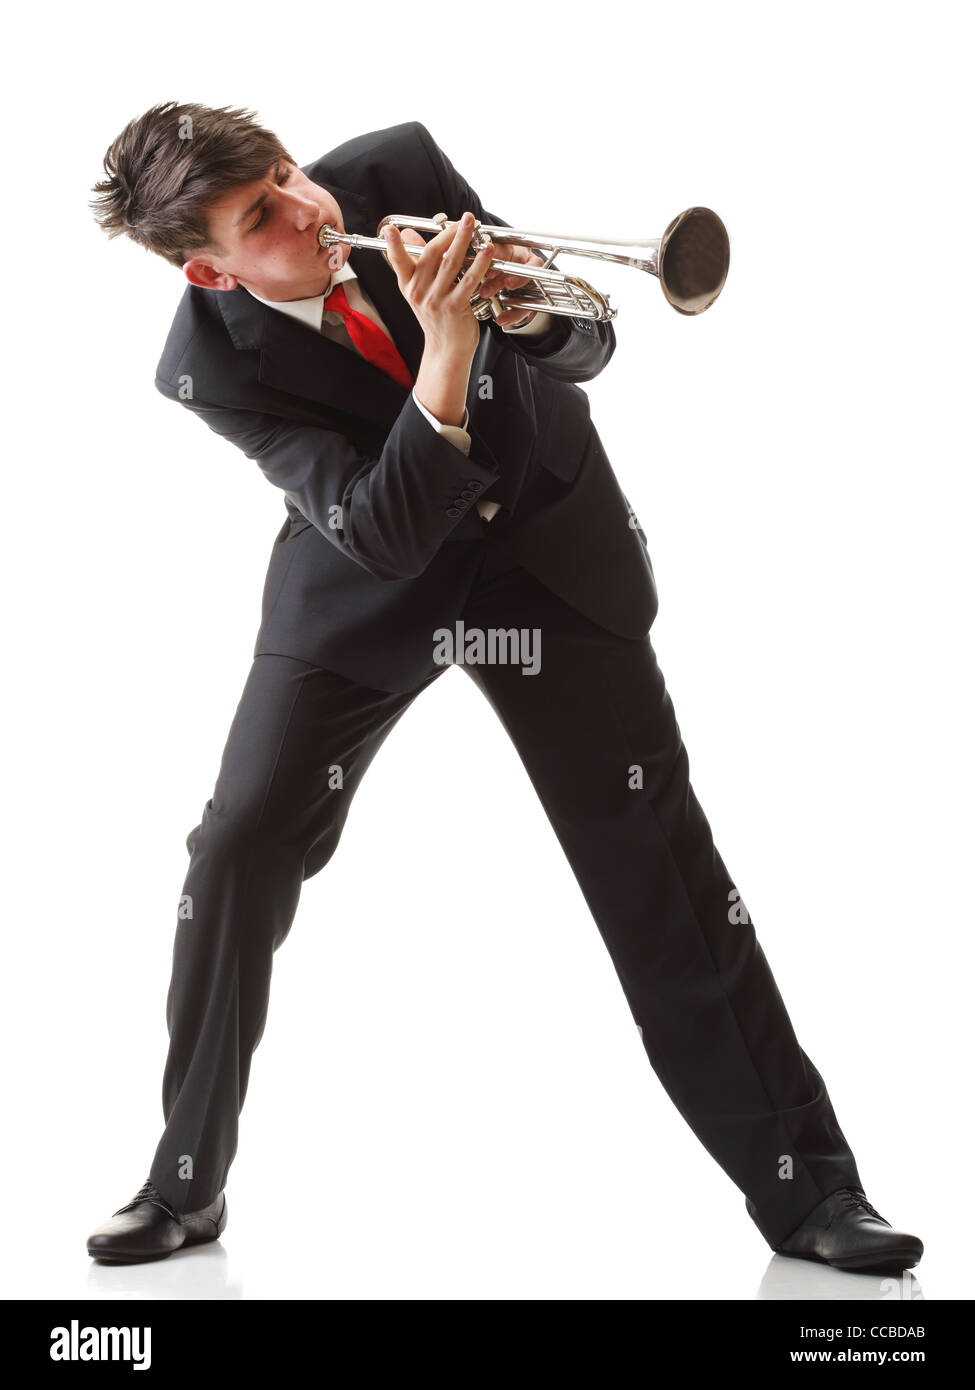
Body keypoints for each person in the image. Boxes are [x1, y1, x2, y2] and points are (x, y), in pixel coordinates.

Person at [86, 102, 922, 1272]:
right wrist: (446, 352)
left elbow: (585, 349)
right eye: (262, 217)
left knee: (658, 864)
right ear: (210, 272)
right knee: (238, 843)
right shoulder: (204, 365)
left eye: (287, 174)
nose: (309, 210)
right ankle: (185, 1183)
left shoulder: (394, 170)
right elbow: (381, 528)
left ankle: (813, 1196)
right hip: (373, 582)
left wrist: (522, 309)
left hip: (545, 548)